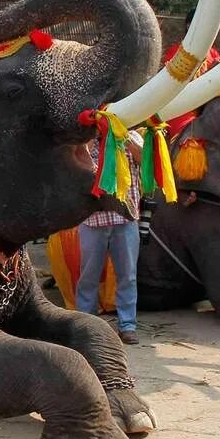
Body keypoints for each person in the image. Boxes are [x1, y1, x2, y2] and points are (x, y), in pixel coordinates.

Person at [75, 141, 143, 344]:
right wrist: (87, 142)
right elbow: (77, 168)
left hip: (125, 220)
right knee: (88, 276)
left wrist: (125, 140)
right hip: (93, 220)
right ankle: (87, 325)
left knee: (128, 275)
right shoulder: (85, 141)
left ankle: (127, 326)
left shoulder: (129, 135)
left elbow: (144, 159)